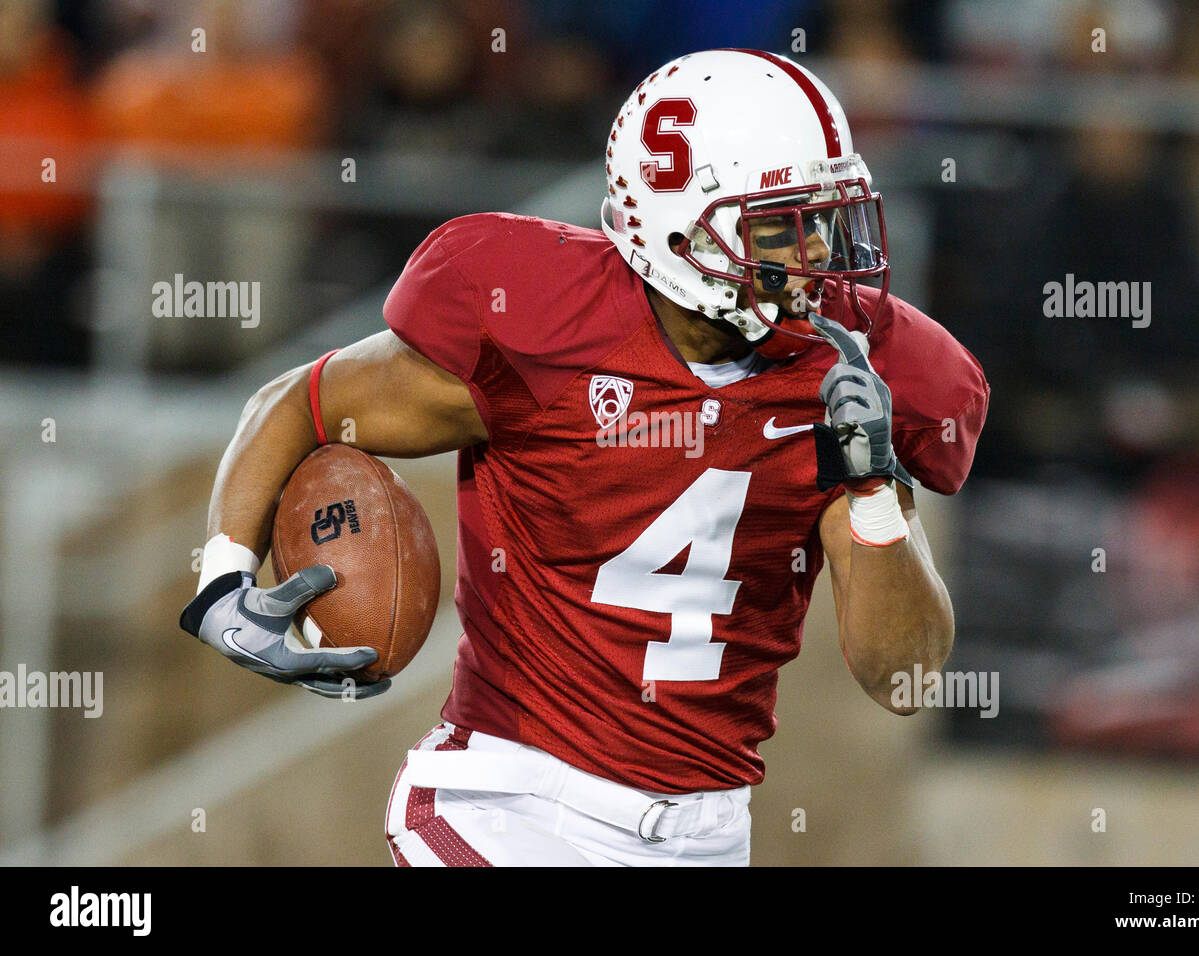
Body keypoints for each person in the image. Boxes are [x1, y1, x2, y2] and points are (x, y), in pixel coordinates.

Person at [179, 49, 990, 866]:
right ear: (682, 230)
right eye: (780, 221)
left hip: (710, 835)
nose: (816, 253)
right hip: (509, 799)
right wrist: (222, 579)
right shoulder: (541, 327)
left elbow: (905, 680)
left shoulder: (846, 367)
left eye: (822, 217)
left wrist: (874, 485)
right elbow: (300, 404)